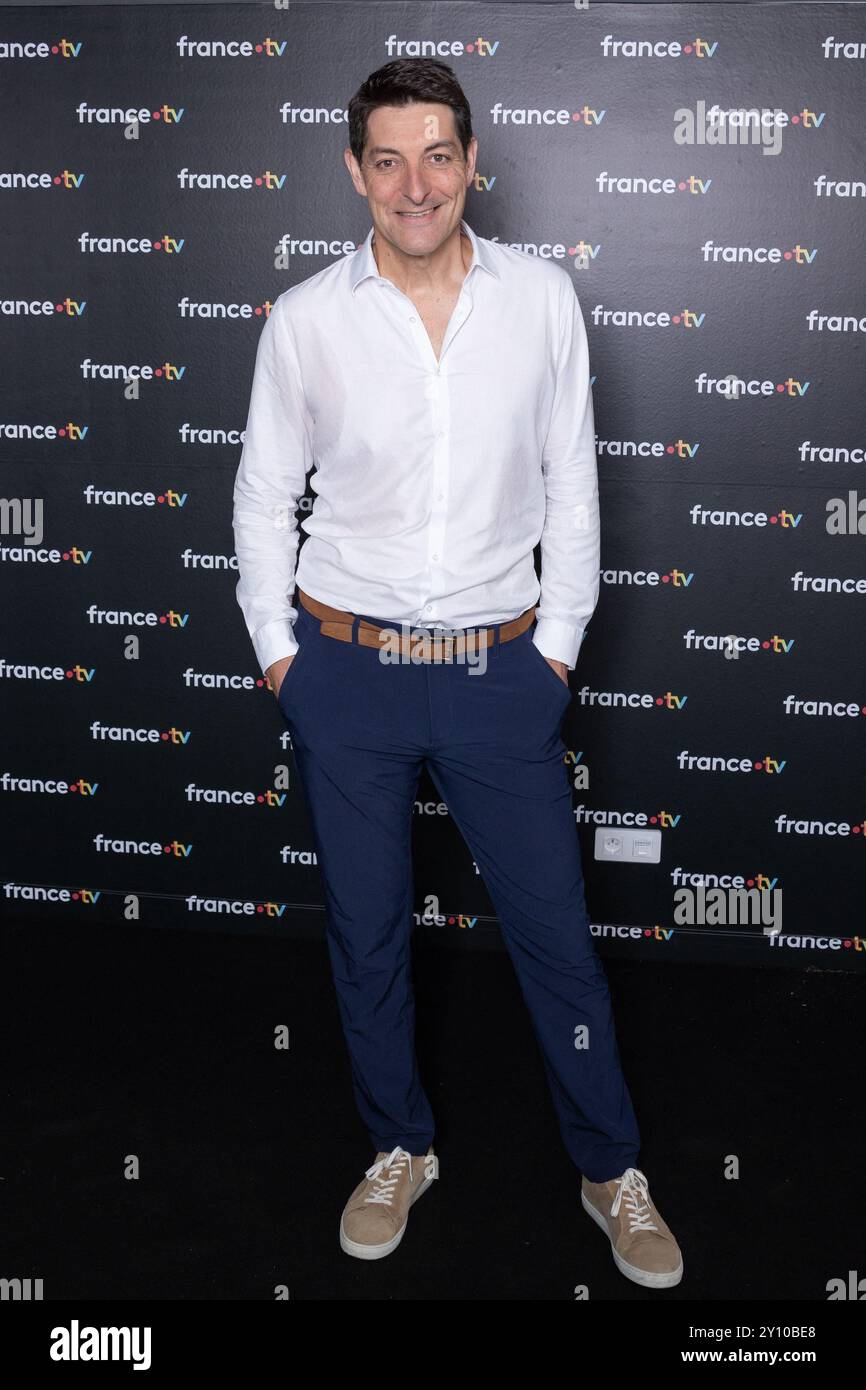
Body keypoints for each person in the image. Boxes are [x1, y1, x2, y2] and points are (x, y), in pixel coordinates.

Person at [232, 57, 682, 1290]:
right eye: (387, 159)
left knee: (553, 936)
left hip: (498, 673)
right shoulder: (307, 318)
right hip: (348, 670)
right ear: (354, 172)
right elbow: (265, 497)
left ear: (473, 161)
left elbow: (571, 488)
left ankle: (608, 1167)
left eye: (437, 155)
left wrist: (554, 652)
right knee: (369, 936)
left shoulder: (540, 300)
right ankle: (396, 1145)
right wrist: (283, 657)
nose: (413, 184)